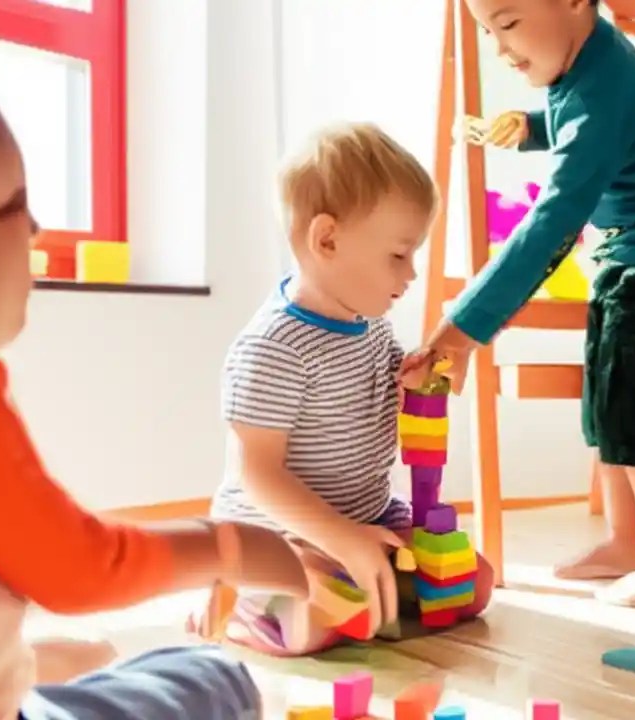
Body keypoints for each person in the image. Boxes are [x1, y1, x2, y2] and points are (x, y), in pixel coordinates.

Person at [0, 45, 310, 720]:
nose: (37, 228)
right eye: (11, 203)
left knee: (105, 661)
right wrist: (230, 545)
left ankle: (37, 670)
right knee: (211, 675)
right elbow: (75, 567)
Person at [411, 0, 635, 607]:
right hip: (631, 259)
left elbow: (553, 219)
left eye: (507, 24)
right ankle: (621, 542)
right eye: (488, 32)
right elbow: (595, 132)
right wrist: (531, 128)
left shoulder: (605, 84)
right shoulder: (585, 68)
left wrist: (460, 330)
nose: (501, 49)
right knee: (607, 405)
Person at [204, 122, 493, 655]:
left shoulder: (372, 327)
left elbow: (376, 415)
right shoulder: (272, 347)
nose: (410, 275)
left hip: (368, 517)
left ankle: (363, 592)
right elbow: (258, 474)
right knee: (316, 615)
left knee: (472, 582)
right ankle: (240, 605)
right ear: (328, 240)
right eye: (398, 255)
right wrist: (339, 539)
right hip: (279, 534)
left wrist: (414, 383)